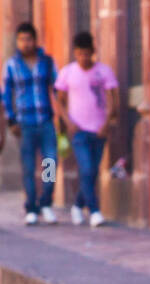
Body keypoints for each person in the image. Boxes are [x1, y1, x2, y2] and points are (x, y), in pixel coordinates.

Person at [1, 22, 64, 225]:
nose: (25, 43)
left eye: (28, 39)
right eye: (21, 40)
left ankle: (46, 202)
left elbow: (58, 89)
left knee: (50, 163)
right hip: (24, 124)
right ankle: (31, 207)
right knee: (28, 167)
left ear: (35, 40)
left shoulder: (47, 62)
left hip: (46, 121)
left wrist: (62, 114)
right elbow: (6, 94)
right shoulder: (11, 65)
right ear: (17, 42)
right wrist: (11, 120)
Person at [54, 30, 118, 227]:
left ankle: (77, 206)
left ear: (93, 51)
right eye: (79, 53)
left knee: (92, 172)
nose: (83, 57)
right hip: (79, 130)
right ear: (75, 53)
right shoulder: (67, 73)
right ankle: (95, 211)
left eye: (87, 53)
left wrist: (106, 124)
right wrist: (67, 121)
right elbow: (59, 100)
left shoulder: (103, 72)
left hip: (99, 129)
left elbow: (112, 99)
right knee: (87, 168)